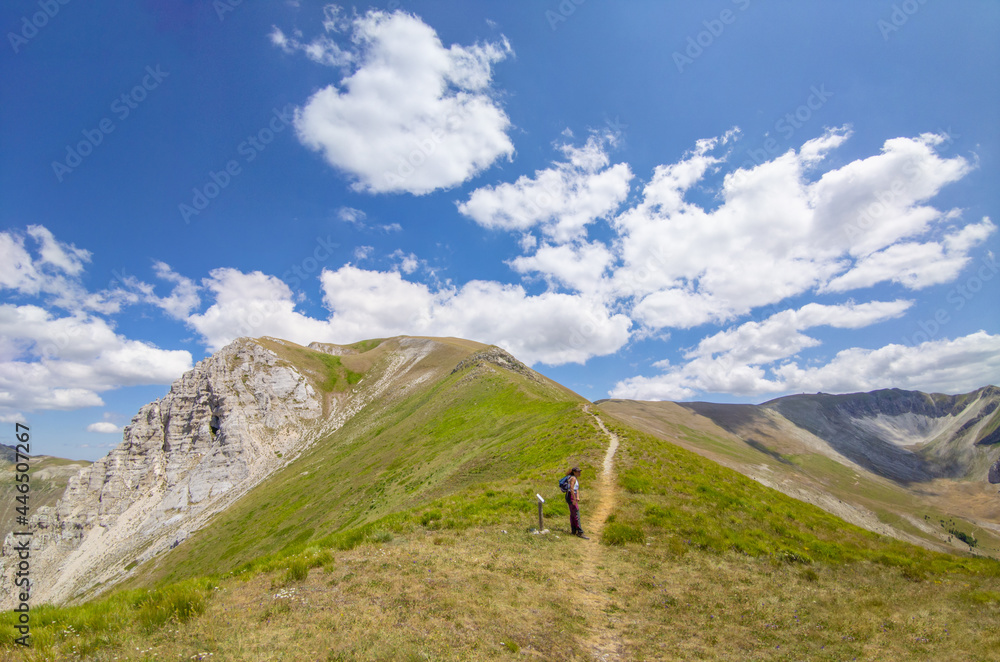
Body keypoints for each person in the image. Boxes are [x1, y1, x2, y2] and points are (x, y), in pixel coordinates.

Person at [564, 466, 588, 539]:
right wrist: (574, 499)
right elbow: (571, 488)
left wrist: (577, 497)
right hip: (571, 496)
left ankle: (574, 530)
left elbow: (576, 489)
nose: (579, 473)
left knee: (573, 513)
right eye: (578, 471)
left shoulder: (573, 478)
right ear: (574, 472)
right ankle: (580, 532)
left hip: (571, 496)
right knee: (576, 513)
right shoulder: (573, 478)